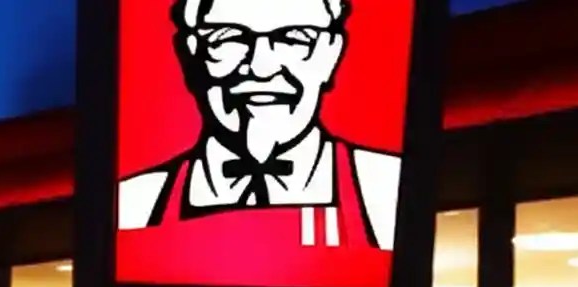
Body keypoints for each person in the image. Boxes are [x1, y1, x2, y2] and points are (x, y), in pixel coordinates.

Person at [118, 0, 402, 255]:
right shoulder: (135, 203)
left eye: (294, 38)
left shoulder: (388, 188)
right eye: (229, 38)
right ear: (192, 55)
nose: (262, 68)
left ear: (331, 54)